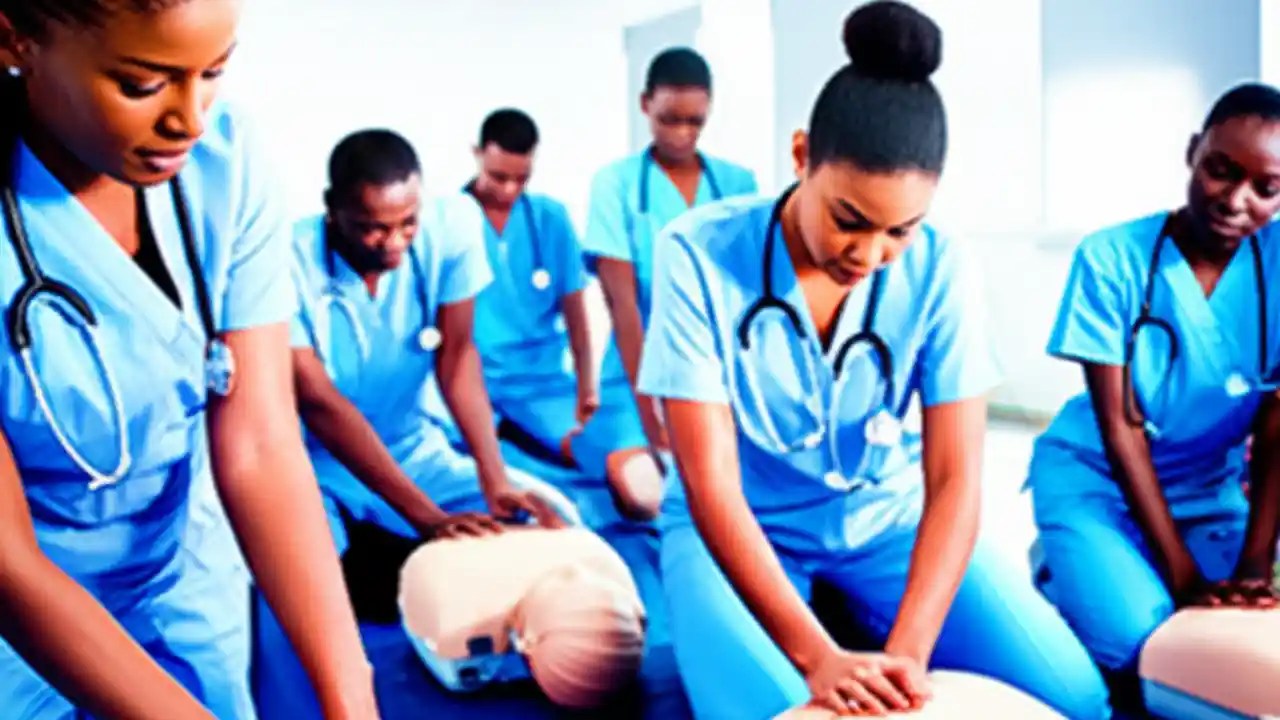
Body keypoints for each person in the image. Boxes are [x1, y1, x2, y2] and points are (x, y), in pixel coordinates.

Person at [635, 3, 1111, 719]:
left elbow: (954, 479)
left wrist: (909, 656)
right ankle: (810, 623)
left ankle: (872, 613)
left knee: (1074, 698)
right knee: (777, 712)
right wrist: (815, 657)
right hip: (741, 526)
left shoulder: (944, 264)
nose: (869, 254)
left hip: (884, 525)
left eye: (900, 231)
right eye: (849, 220)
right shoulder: (696, 251)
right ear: (801, 157)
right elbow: (711, 485)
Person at [0, 1, 377, 718]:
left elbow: (261, 444)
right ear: (13, 35)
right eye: (142, 84)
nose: (191, 120)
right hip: (19, 611)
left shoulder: (226, 166)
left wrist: (352, 699)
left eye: (213, 72)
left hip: (184, 573)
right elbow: (7, 562)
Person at [1027, 82, 1280, 711]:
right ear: (1193, 153)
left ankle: (1117, 566)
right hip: (1099, 478)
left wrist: (1255, 561)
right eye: (1220, 170)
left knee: (1233, 629)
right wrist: (1182, 573)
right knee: (1139, 640)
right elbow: (1120, 429)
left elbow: (1277, 425)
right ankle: (1063, 565)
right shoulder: (1111, 258)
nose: (1236, 200)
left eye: (1266, 188)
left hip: (1206, 485)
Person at [290, 129, 571, 566]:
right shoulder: (287, 261)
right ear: (333, 208)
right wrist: (427, 518)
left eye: (407, 224)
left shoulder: (450, 227)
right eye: (372, 229)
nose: (395, 243)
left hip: (412, 450)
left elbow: (457, 358)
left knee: (553, 518)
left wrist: (493, 479)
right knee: (307, 562)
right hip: (315, 465)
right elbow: (318, 399)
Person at [466, 108, 661, 520]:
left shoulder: (549, 218)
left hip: (543, 382)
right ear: (477, 154)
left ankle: (648, 498)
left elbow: (575, 308)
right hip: (473, 382)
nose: (509, 189)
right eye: (498, 177)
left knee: (609, 458)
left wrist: (587, 386)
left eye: (521, 179)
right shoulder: (448, 221)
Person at [583, 46, 757, 459]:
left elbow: (747, 297)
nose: (682, 133)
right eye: (669, 119)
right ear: (645, 105)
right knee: (639, 488)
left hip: (717, 373)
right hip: (635, 373)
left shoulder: (737, 184)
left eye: (694, 121)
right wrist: (652, 412)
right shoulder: (616, 184)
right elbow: (622, 306)